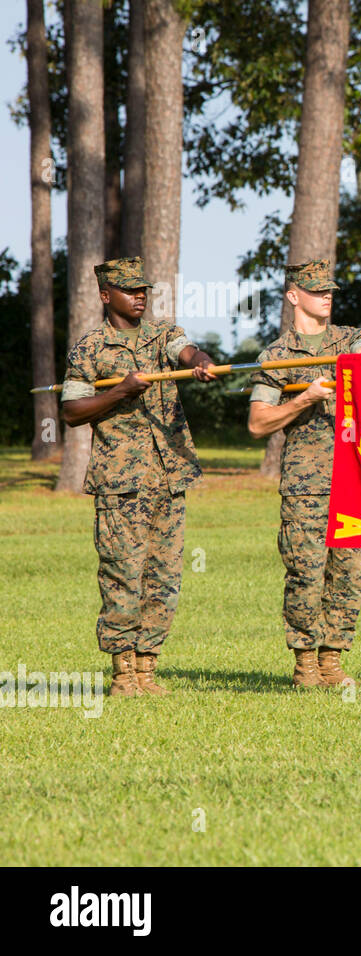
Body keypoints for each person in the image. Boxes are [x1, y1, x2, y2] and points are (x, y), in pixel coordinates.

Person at [60, 257, 217, 697]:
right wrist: (121, 391)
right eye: (130, 290)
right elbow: (72, 411)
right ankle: (123, 672)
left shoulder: (162, 334)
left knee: (163, 577)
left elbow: (185, 351)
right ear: (106, 295)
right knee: (122, 574)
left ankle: (148, 668)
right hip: (120, 483)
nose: (140, 295)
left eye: (143, 288)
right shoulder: (90, 348)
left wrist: (201, 360)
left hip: (169, 476)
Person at [247, 259, 361, 689]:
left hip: (355, 480)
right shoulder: (277, 357)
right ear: (293, 296)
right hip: (306, 485)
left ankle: (333, 661)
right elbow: (258, 423)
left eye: (330, 291)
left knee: (350, 574)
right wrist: (304, 399)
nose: (327, 296)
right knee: (305, 571)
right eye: (317, 289)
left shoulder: (352, 339)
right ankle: (305, 662)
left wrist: (357, 368)